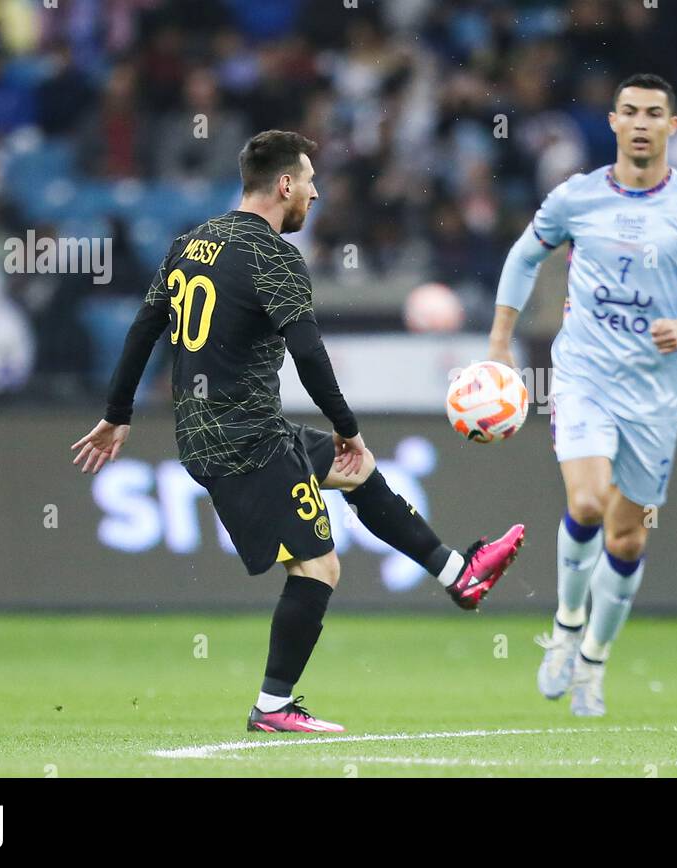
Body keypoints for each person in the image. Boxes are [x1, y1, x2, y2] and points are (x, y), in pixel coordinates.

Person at [71, 130, 524, 733]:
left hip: (225, 430)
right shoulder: (273, 257)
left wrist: (117, 413)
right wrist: (348, 426)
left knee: (357, 474)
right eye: (310, 181)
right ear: (284, 184)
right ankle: (273, 706)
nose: (315, 194)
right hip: (245, 440)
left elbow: (143, 330)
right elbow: (308, 354)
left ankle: (458, 575)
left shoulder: (190, 243)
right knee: (319, 567)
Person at [488, 74, 677, 716]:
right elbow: (523, 257)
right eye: (629, 111)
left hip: (654, 398)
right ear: (612, 122)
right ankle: (567, 625)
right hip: (584, 378)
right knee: (588, 500)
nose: (640, 123)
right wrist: (499, 346)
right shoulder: (577, 198)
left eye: (654, 113)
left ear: (671, 127)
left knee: (628, 540)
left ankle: (594, 665)